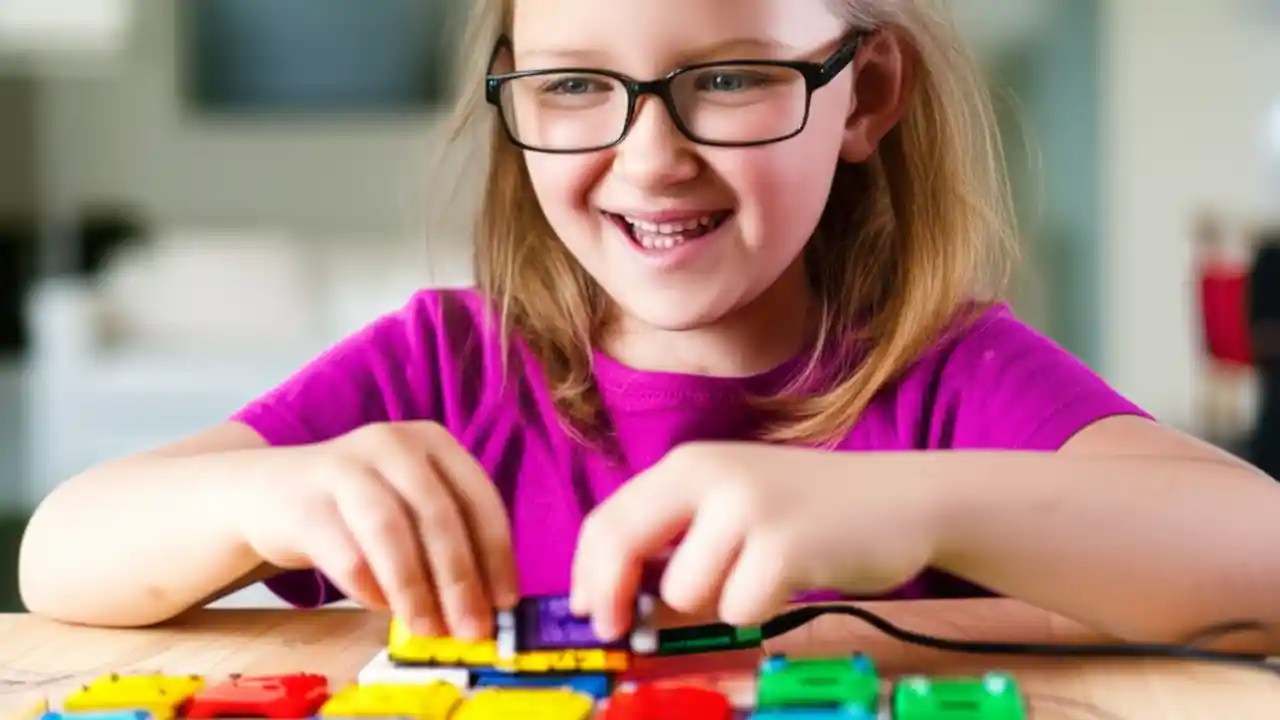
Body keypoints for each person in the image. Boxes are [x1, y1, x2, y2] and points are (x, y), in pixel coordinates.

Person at [19, 0, 1280, 652]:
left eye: (728, 76)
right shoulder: (438, 366)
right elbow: (58, 556)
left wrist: (914, 506)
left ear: (865, 95)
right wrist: (266, 498)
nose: (649, 157)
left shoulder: (944, 375)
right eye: (573, 86)